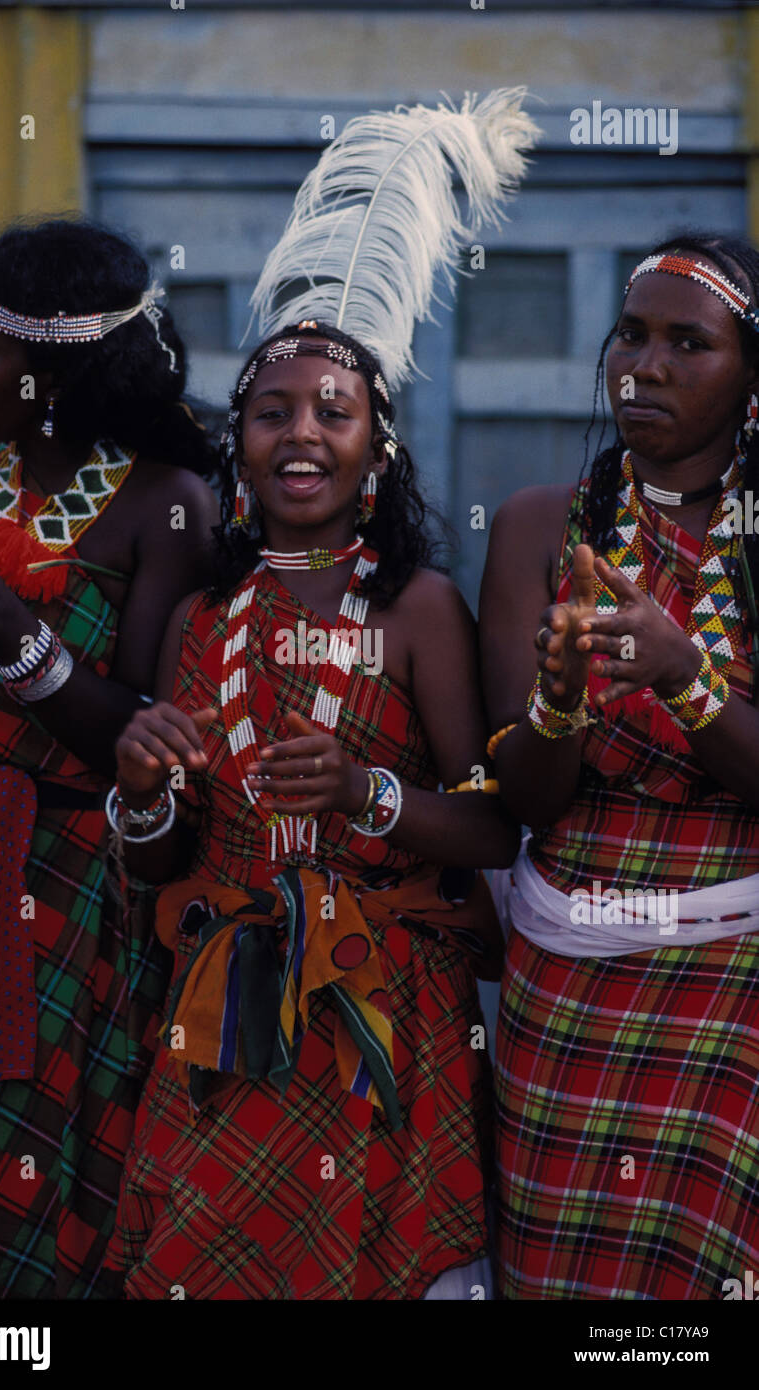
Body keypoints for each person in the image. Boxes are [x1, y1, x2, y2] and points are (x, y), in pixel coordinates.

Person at [104, 319, 519, 1299]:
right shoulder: (197, 619)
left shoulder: (415, 608)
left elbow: (491, 828)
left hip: (383, 1013)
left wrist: (361, 794)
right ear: (235, 446)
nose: (300, 432)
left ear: (376, 450)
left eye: (333, 413)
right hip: (228, 1014)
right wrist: (139, 793)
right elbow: (162, 864)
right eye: (269, 413)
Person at [0, 218, 218, 1297]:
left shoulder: (165, 504)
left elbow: (141, 729)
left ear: (51, 377)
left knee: (50, 1162)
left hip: (81, 891)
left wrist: (0, 621)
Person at [480, 231, 759, 1300]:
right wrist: (556, 703)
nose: (642, 365)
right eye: (630, 335)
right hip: (568, 986)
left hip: (731, 984)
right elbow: (520, 798)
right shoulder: (537, 529)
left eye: (687, 342)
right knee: (562, 1271)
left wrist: (682, 672)